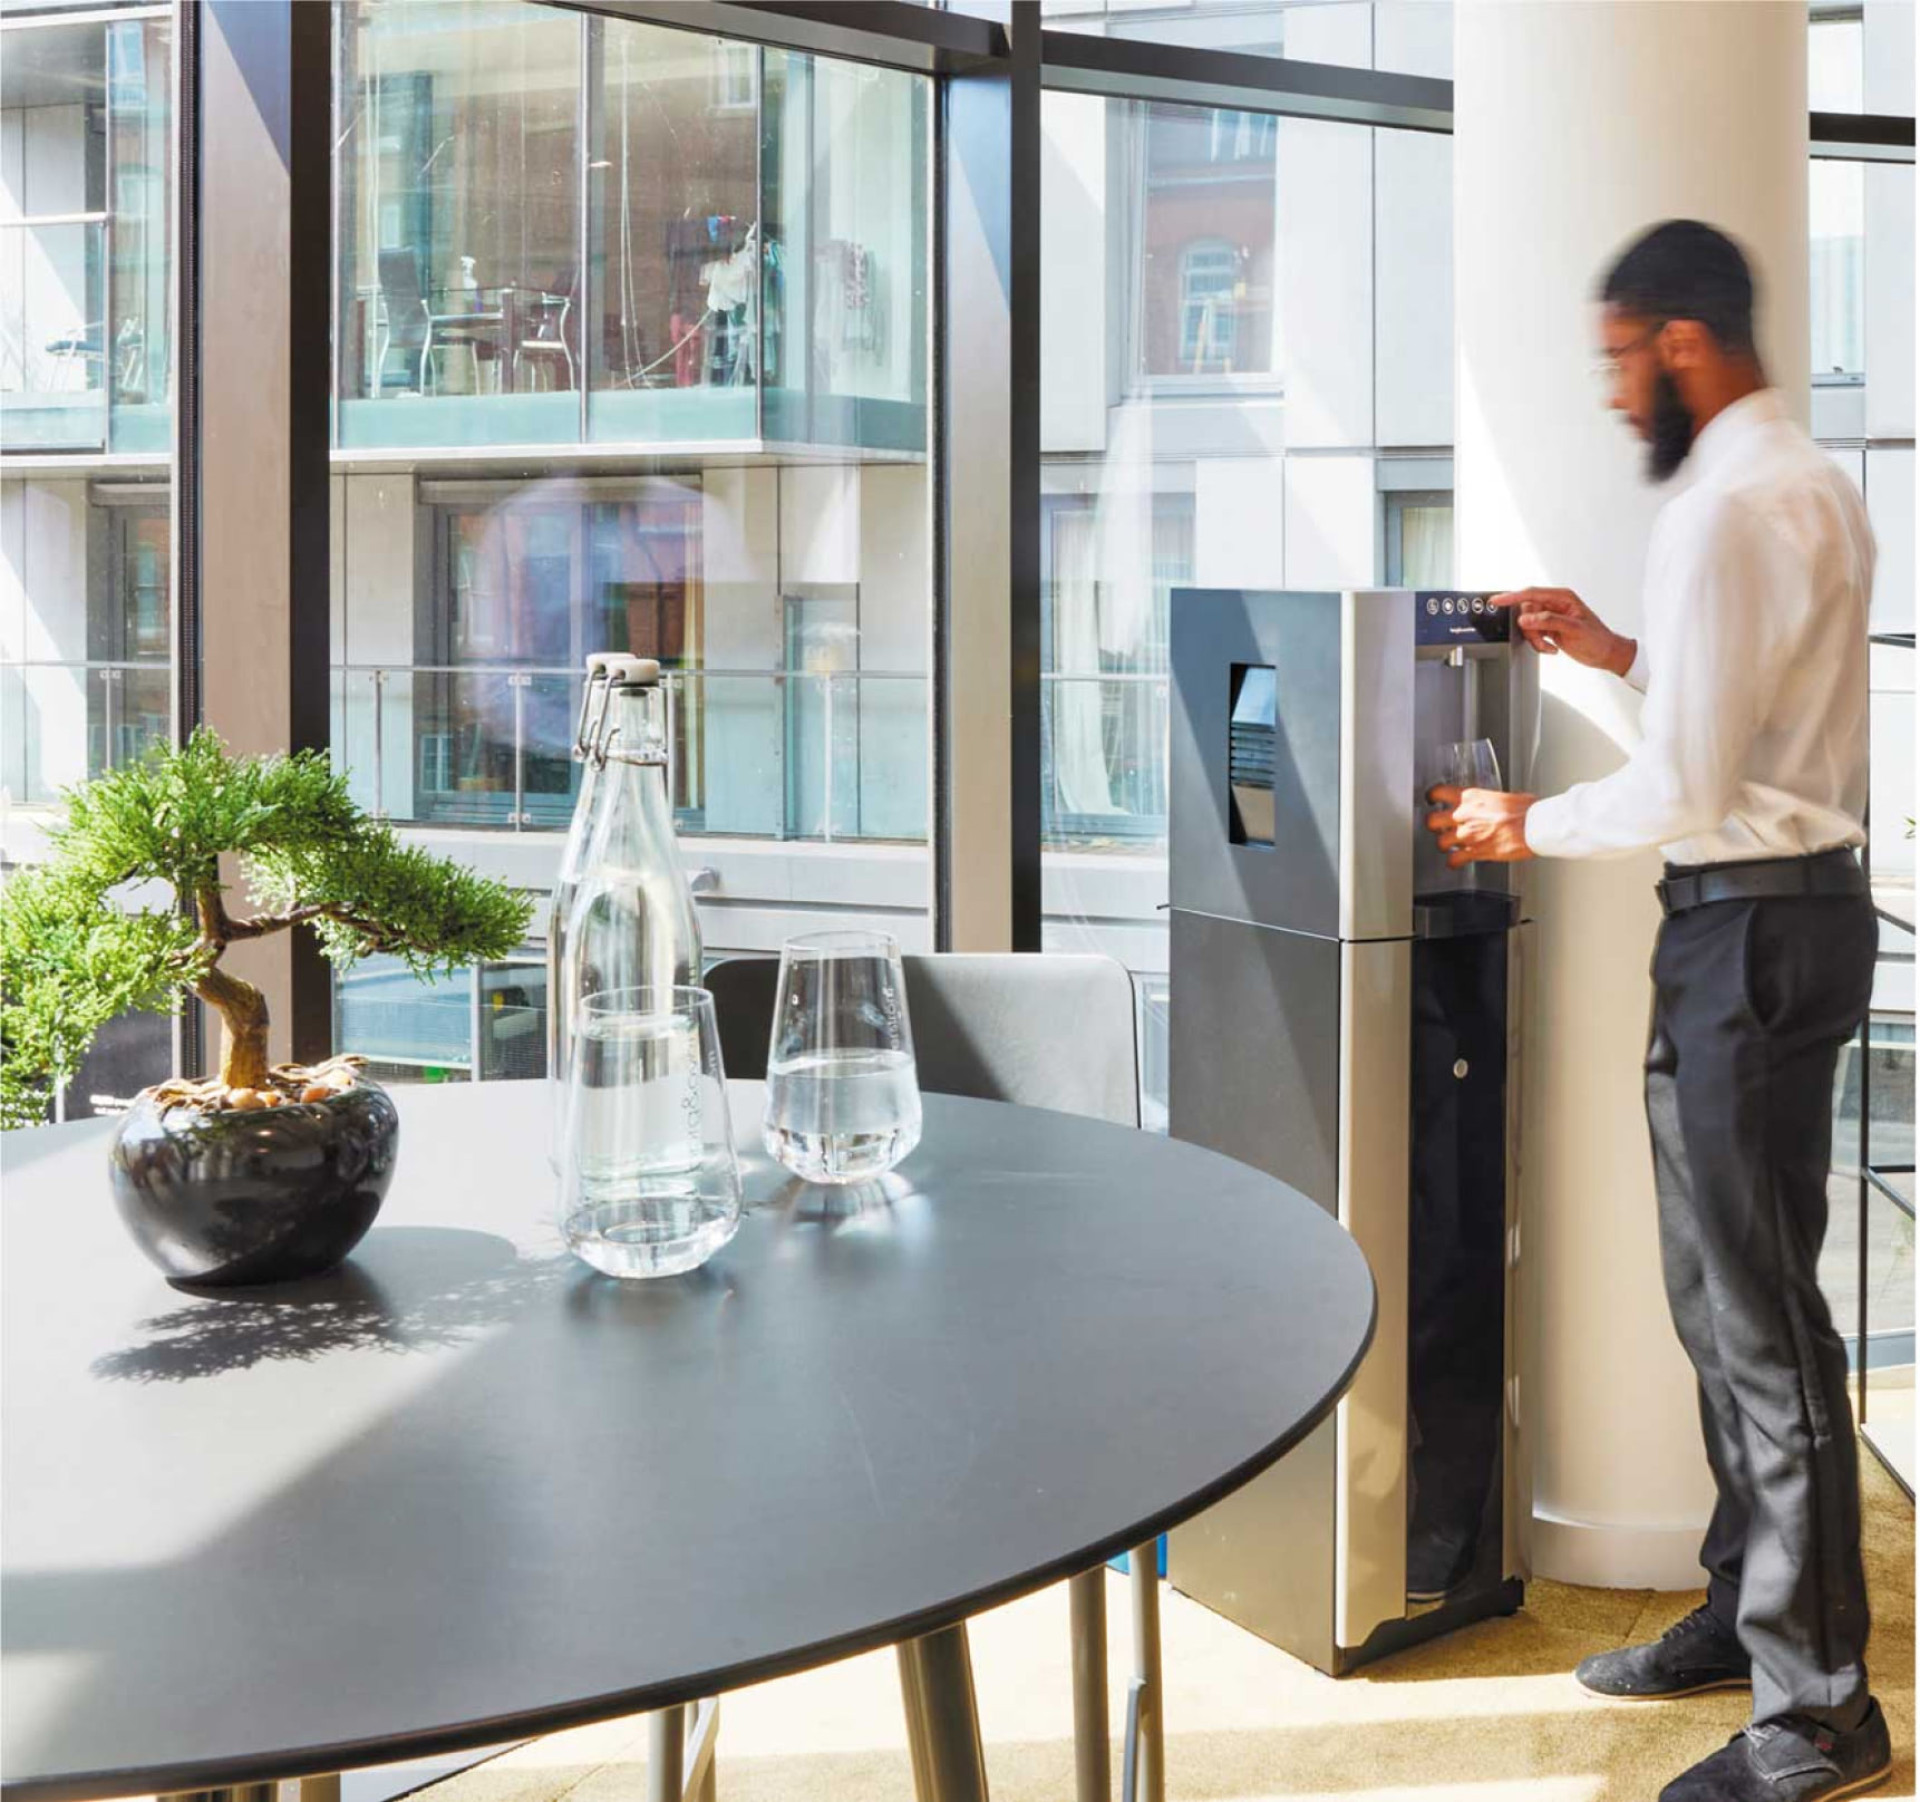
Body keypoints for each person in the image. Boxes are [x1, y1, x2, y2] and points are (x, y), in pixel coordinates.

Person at [1425, 219, 1890, 1802]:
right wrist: (1615, 650)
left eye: (1624, 361)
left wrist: (1518, 828)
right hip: (1806, 913)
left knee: (1759, 1324)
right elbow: (1751, 734)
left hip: (1742, 937)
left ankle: (1821, 1706)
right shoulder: (1813, 487)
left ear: (1682, 340)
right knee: (1728, 1302)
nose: (1622, 395)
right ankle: (1745, 1609)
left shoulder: (1720, 509)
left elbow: (1695, 784)